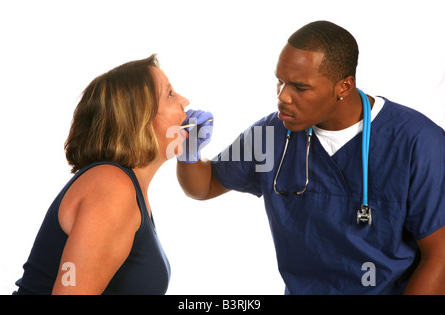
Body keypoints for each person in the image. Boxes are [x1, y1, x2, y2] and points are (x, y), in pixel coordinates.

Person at [177, 21, 445, 294]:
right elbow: (206, 185)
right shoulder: (271, 133)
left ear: (344, 86)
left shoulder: (417, 142)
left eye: (299, 88)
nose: (283, 97)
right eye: (279, 82)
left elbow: (440, 256)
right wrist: (188, 152)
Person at [14, 55, 190, 294]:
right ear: (139, 118)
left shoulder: (128, 189)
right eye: (170, 94)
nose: (185, 101)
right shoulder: (113, 188)